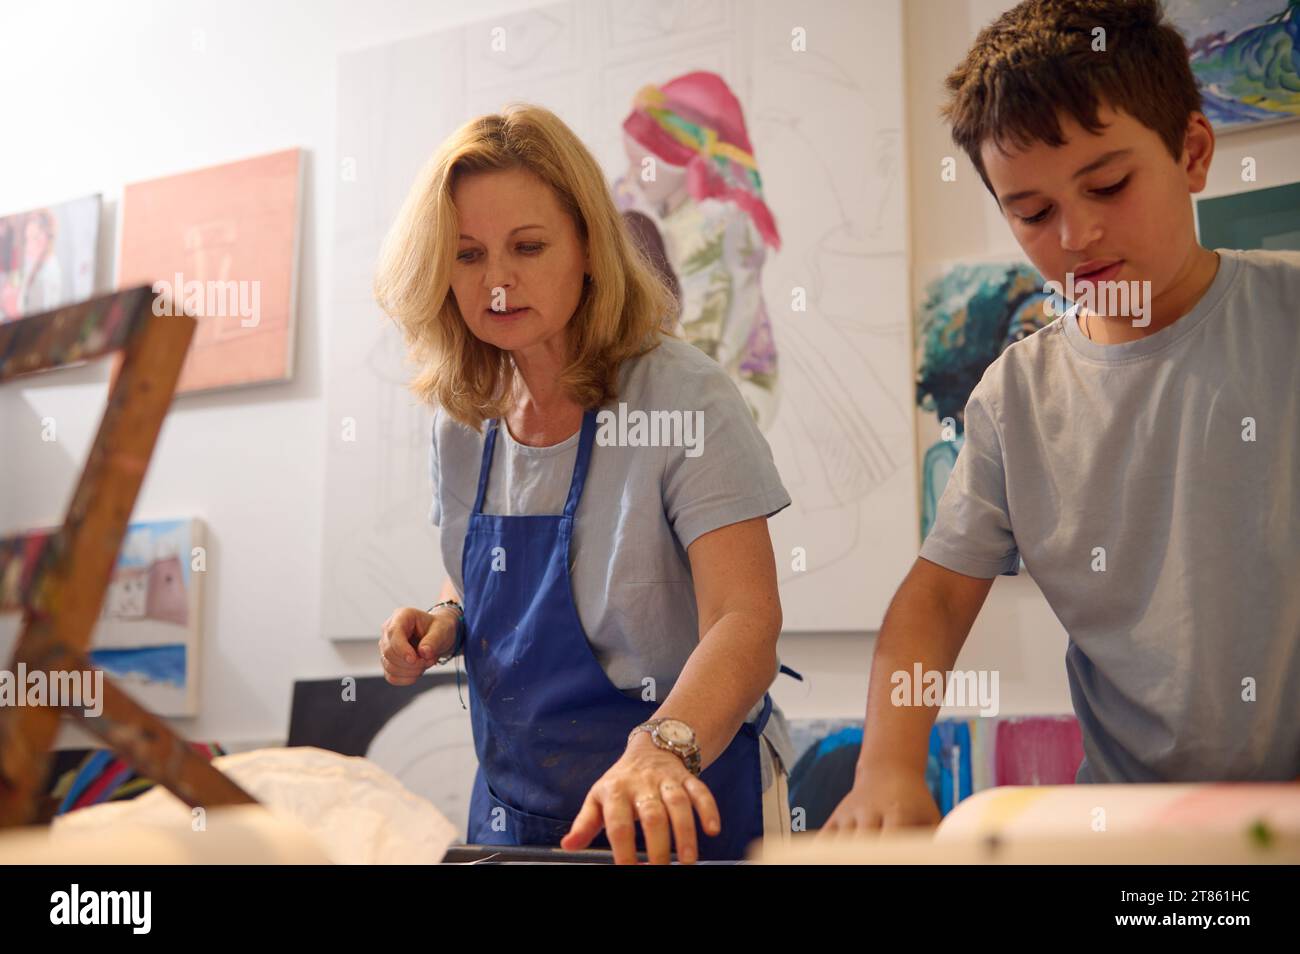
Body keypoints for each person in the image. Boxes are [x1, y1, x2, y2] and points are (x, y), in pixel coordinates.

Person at [824, 0, 1300, 835]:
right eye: (1033, 213)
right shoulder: (1015, 399)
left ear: (1192, 152)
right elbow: (935, 596)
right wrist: (888, 766)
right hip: (1130, 833)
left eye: (1108, 185)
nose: (1077, 234)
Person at [375, 104, 799, 863]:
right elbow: (491, 569)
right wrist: (446, 615)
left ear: (590, 248)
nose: (497, 281)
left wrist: (662, 748)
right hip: (514, 808)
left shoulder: (682, 398)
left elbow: (746, 620)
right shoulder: (463, 422)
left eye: (528, 247)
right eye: (467, 255)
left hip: (682, 798)